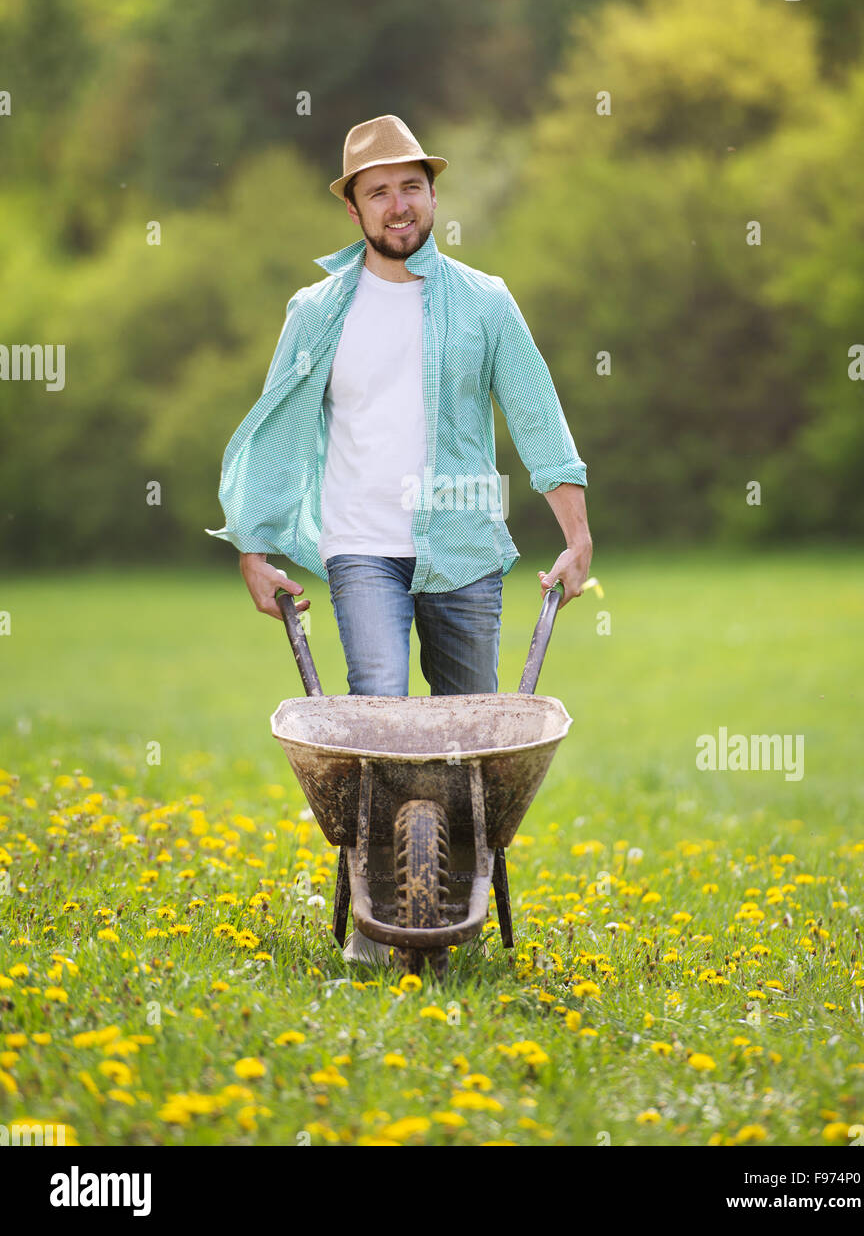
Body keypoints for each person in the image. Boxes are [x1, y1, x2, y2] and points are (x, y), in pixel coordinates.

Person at [207, 114, 592, 958]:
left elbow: (536, 412)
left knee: (466, 734)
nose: (397, 204)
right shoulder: (316, 312)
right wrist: (254, 550)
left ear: (431, 194)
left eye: (410, 186)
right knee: (375, 712)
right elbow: (276, 432)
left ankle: (454, 905)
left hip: (462, 547)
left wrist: (574, 531)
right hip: (361, 548)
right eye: (377, 191)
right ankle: (380, 926)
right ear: (352, 210)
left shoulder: (484, 302)